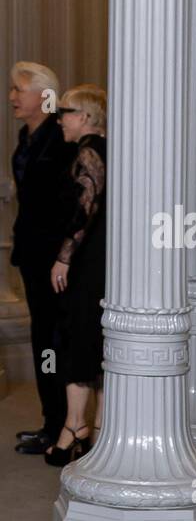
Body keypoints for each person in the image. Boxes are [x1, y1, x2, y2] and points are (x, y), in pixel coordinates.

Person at [9, 62, 76, 455]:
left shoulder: (62, 138)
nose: (13, 97)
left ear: (45, 96)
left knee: (54, 340)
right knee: (42, 339)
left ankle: (65, 425)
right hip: (32, 255)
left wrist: (63, 254)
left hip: (57, 261)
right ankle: (51, 420)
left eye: (19, 89)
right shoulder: (26, 136)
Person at [43, 84, 107, 467]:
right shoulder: (108, 149)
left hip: (87, 261)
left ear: (84, 117)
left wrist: (64, 256)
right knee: (90, 340)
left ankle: (75, 429)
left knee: (76, 337)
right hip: (99, 258)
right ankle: (90, 431)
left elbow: (87, 206)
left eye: (65, 111)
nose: (59, 118)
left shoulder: (88, 151)